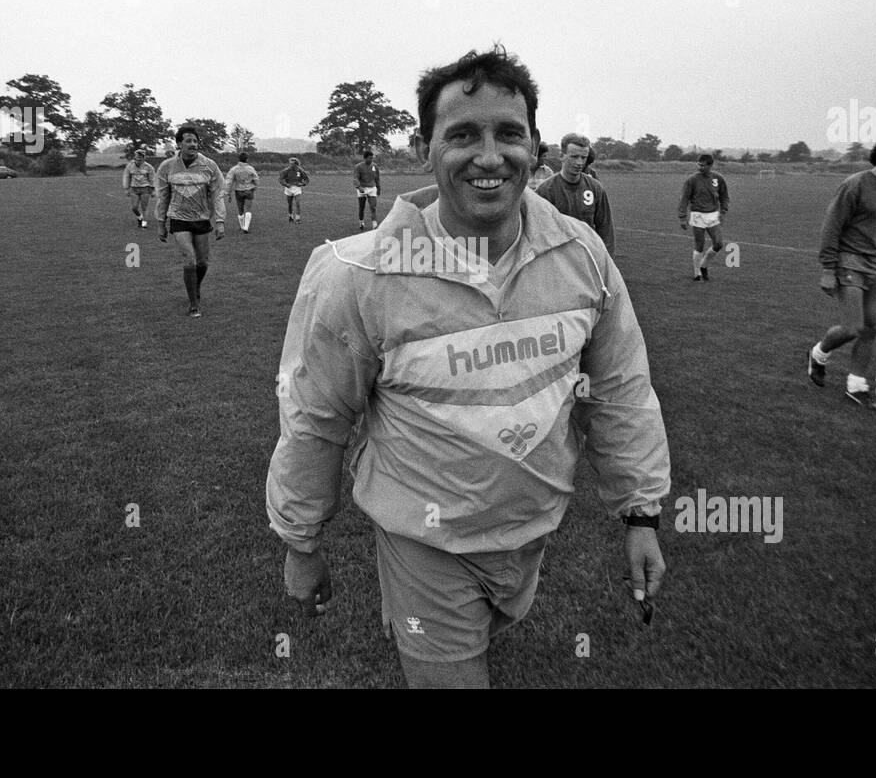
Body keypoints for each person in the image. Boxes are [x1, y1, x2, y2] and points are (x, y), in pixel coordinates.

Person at [266, 46, 670, 689]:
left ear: (535, 147)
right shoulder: (360, 275)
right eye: (462, 135)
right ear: (423, 147)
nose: (489, 156)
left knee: (488, 636)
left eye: (509, 133)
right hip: (427, 546)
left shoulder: (582, 255)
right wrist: (301, 542)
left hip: (530, 534)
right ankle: (416, 612)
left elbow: (621, 390)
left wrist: (641, 514)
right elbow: (315, 419)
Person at [806, 132, 876, 410]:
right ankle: (819, 354)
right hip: (850, 262)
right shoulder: (854, 185)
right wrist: (828, 269)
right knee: (851, 327)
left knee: (871, 329)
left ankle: (856, 386)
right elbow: (832, 227)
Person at [155, 125, 226, 317]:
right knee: (189, 260)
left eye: (195, 141)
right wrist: (161, 223)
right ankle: (193, 304)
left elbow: (218, 194)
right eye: (188, 141)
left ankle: (196, 287)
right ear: (179, 144)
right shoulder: (166, 167)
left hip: (202, 218)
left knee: (202, 262)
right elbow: (162, 197)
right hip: (178, 219)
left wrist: (220, 221)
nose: (193, 144)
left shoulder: (209, 165)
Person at [533, 133, 616, 255]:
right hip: (558, 258)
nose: (579, 162)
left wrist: (607, 260)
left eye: (583, 157)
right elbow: (537, 231)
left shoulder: (595, 188)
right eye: (574, 157)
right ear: (562, 156)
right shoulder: (545, 190)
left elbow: (605, 228)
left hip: (588, 256)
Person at [677, 154, 730, 281]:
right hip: (697, 215)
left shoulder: (718, 178)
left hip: (712, 215)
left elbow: (724, 196)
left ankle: (704, 265)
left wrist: (723, 212)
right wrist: (682, 217)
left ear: (710, 166)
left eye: (703, 165)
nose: (700, 167)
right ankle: (697, 274)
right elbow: (684, 199)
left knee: (718, 243)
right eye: (699, 165)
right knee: (699, 245)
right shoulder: (692, 180)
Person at [226, 152, 259, 233]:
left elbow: (229, 182)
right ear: (247, 159)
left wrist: (228, 193)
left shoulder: (234, 169)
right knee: (248, 209)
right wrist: (255, 187)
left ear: (239, 159)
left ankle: (242, 227)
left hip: (238, 191)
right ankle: (246, 227)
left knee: (240, 210)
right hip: (249, 190)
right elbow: (256, 179)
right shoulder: (250, 168)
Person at [122, 149, 156, 228]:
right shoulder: (130, 166)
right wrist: (126, 188)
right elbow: (127, 177)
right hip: (134, 189)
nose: (138, 160)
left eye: (140, 158)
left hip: (145, 189)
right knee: (134, 207)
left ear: (144, 158)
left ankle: (144, 222)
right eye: (137, 158)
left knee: (144, 207)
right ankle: (139, 217)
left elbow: (152, 178)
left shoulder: (149, 167)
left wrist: (153, 190)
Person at [353, 148, 381, 230]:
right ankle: (361, 222)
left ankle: (374, 224)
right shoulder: (358, 167)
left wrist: (379, 188)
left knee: (373, 207)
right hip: (362, 188)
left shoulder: (375, 166)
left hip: (372, 188)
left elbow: (377, 179)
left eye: (372, 158)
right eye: (370, 158)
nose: (372, 160)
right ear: (365, 158)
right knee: (362, 207)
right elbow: (356, 178)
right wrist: (359, 187)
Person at [279, 157, 311, 222]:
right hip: (289, 188)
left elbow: (306, 179)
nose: (290, 165)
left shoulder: (300, 170)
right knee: (290, 204)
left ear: (296, 164)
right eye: (290, 164)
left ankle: (298, 218)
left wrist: (302, 184)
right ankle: (290, 216)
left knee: (298, 203)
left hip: (297, 188)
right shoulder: (286, 170)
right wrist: (286, 184)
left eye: (292, 164)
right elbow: (281, 179)